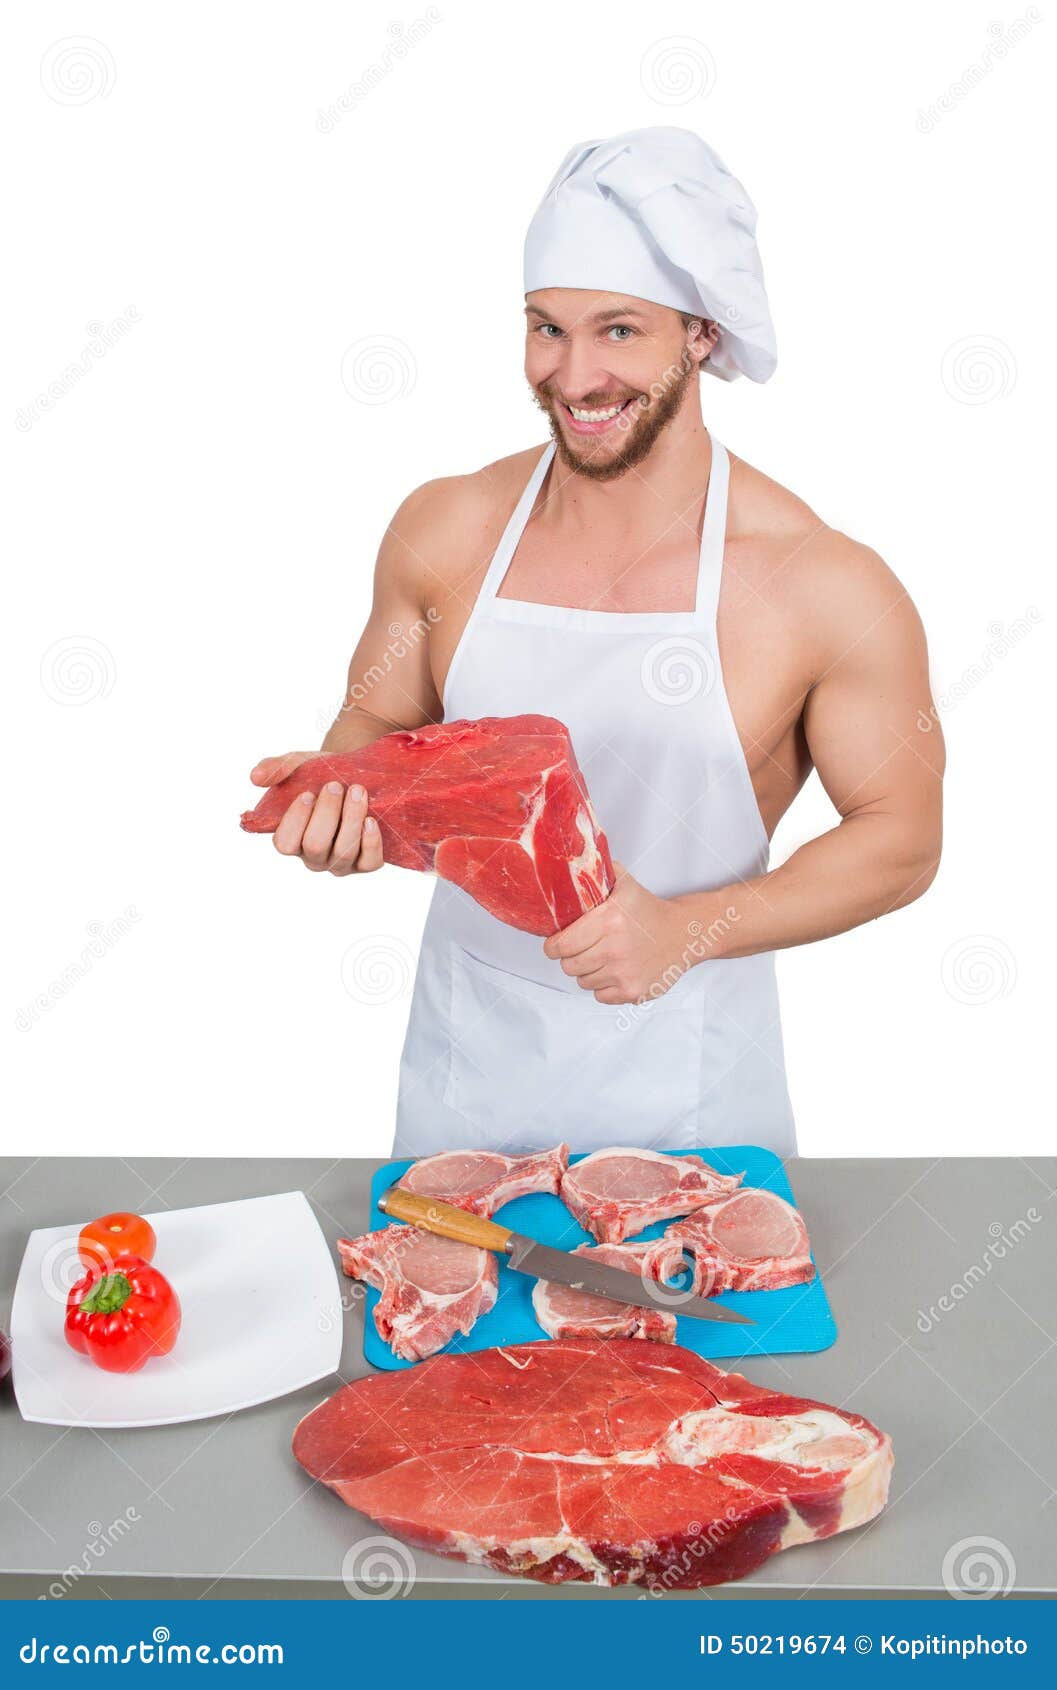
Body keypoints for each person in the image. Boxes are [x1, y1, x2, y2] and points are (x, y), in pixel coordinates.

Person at [250, 128, 944, 1160]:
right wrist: (345, 799)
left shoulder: (822, 583)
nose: (572, 377)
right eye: (546, 329)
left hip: (694, 1103)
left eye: (618, 330)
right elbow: (379, 720)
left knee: (688, 1327)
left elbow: (901, 839)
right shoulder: (445, 529)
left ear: (700, 334)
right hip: (466, 1078)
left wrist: (685, 930)